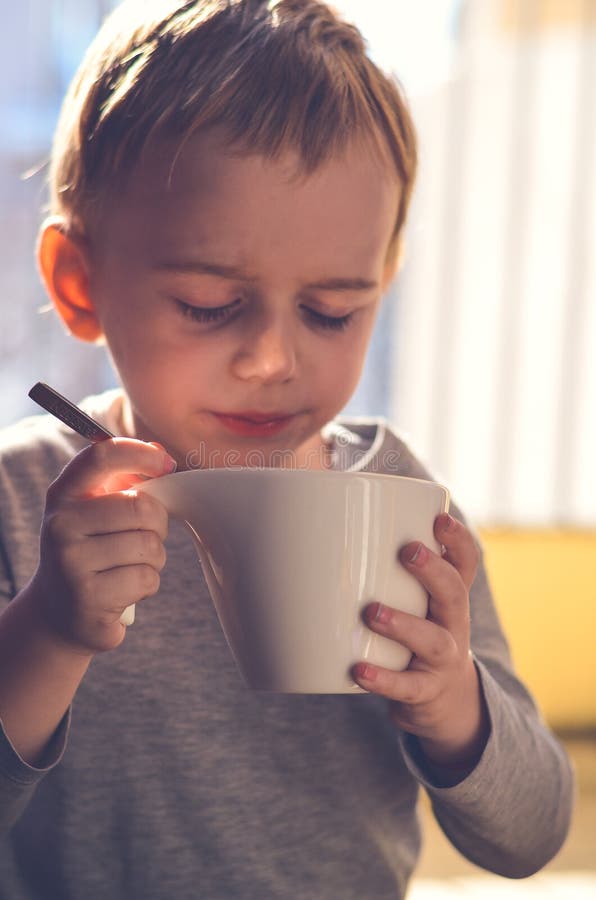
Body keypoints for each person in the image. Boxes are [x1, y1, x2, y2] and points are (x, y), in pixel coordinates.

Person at [0, 1, 573, 898]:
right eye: (207, 304)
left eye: (332, 312)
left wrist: (453, 704)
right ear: (80, 285)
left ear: (382, 284)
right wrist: (47, 631)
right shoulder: (21, 498)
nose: (272, 360)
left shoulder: (401, 504)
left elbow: (533, 835)